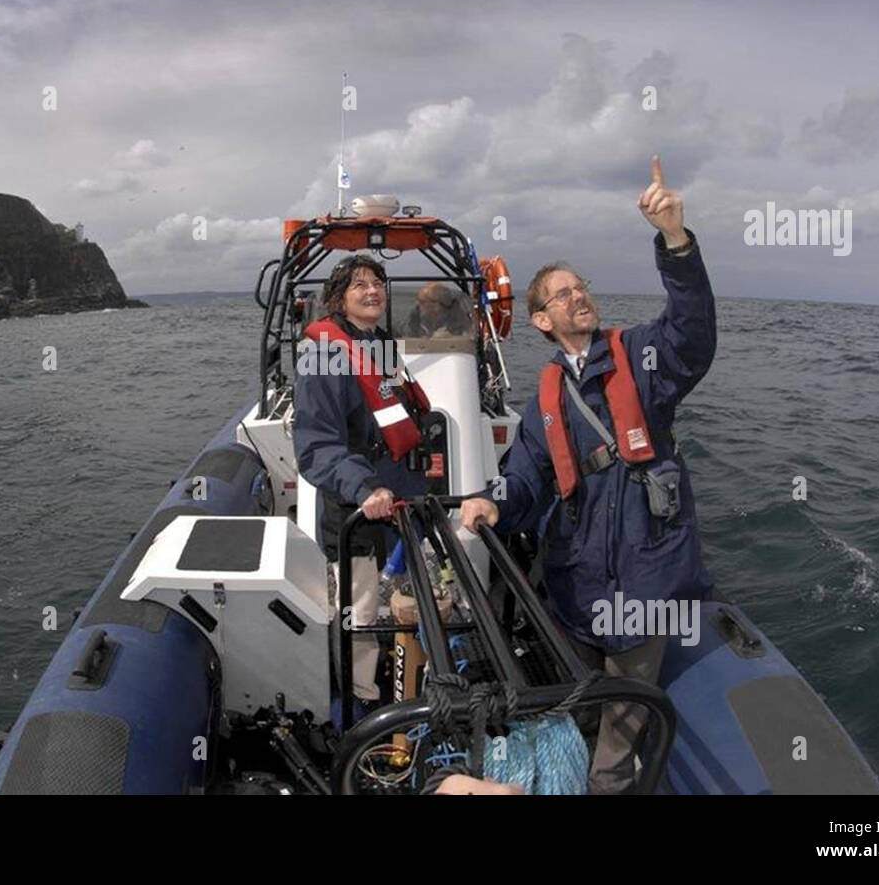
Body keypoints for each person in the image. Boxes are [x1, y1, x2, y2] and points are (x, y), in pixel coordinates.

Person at [459, 155, 716, 794]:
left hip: (643, 573)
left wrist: (676, 242)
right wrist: (493, 503)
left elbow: (693, 333)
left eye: (582, 287)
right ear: (541, 321)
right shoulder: (546, 396)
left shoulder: (640, 356)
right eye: (562, 294)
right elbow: (526, 477)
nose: (579, 297)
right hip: (577, 581)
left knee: (619, 737)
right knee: (582, 697)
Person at [293, 255, 432, 712]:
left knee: (406, 601)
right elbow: (316, 447)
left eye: (378, 283)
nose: (372, 291)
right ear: (338, 298)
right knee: (362, 612)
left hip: (402, 504)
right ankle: (363, 706)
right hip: (358, 509)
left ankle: (410, 683)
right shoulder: (323, 353)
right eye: (359, 285)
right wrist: (365, 489)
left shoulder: (379, 343)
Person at [406, 282, 472, 338]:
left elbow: (470, 338)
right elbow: (404, 341)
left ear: (436, 304)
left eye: (422, 301)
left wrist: (450, 337)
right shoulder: (415, 317)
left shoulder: (457, 316)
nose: (418, 304)